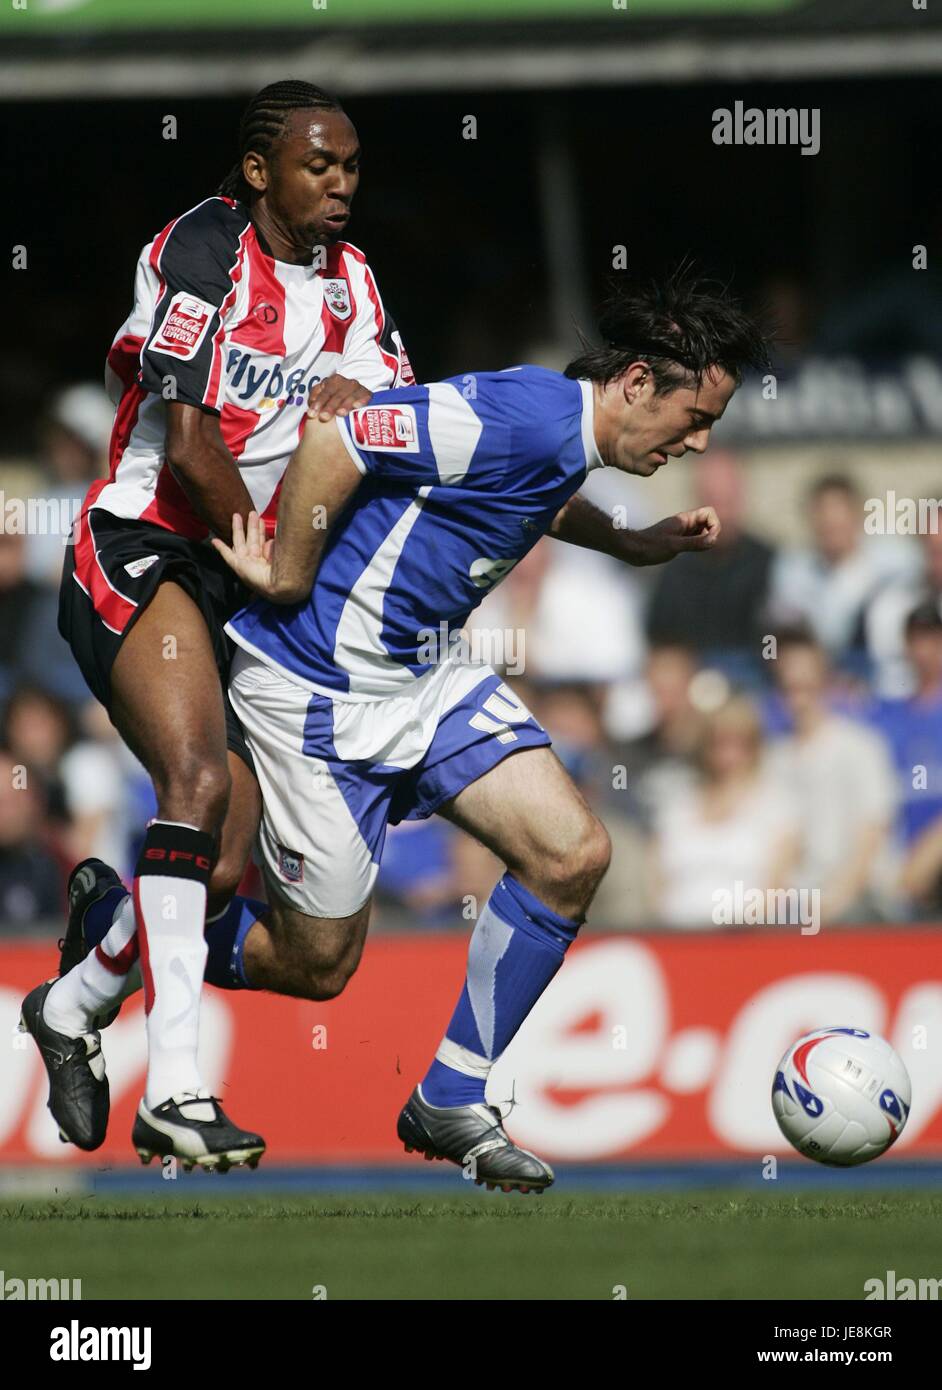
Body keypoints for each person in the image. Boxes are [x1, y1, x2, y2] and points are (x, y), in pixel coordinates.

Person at [45, 266, 765, 1188]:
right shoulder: (522, 412)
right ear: (635, 384)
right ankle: (116, 926)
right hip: (318, 693)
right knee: (314, 966)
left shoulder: (561, 438)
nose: (698, 441)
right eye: (695, 418)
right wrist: (287, 572)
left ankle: (453, 1098)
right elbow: (342, 435)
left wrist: (630, 542)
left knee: (572, 853)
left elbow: (527, 493)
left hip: (428, 681)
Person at [20, 79, 414, 1169]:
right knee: (194, 783)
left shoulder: (357, 287)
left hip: (245, 578)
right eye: (316, 166)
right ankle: (179, 1089)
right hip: (147, 543)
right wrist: (277, 552)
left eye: (350, 169)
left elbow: (399, 423)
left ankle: (79, 994)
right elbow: (189, 438)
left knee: (226, 858)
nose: (339, 187)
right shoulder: (201, 249)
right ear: (258, 172)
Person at [767, 630, 896, 923]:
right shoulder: (774, 757)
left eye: (806, 687)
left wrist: (829, 906)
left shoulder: (861, 747)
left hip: (861, 904)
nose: (797, 698)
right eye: (789, 688)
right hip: (797, 904)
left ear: (825, 684)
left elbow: (872, 834)